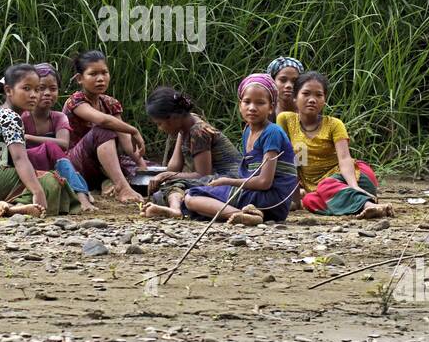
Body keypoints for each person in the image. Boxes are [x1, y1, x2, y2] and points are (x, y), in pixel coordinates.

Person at [0, 63, 82, 217]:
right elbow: (19, 159)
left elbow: (6, 160)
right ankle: (21, 206)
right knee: (50, 180)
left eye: (37, 89)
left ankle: (8, 206)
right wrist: (38, 192)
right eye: (26, 88)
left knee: (40, 178)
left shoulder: (0, 111)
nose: (34, 95)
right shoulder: (11, 117)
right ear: (9, 90)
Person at [182, 73, 299, 225]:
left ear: (271, 108)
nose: (252, 108)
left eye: (260, 103)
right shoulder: (247, 131)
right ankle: (252, 213)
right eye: (247, 102)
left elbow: (265, 182)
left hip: (273, 199)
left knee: (192, 197)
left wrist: (228, 181)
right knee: (197, 200)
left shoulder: (272, 132)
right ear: (240, 105)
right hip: (258, 197)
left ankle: (242, 214)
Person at [277, 70, 392, 218]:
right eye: (306, 94)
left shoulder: (334, 124)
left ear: (324, 100)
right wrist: (295, 199)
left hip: (352, 176)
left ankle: (368, 205)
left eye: (318, 95)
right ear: (294, 98)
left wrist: (354, 187)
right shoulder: (286, 120)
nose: (312, 99)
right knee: (310, 199)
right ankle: (359, 205)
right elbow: (290, 161)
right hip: (319, 188)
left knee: (325, 186)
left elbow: (344, 159)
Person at [139, 86, 242, 220]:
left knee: (177, 188)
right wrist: (165, 175)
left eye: (159, 123)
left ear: (173, 118)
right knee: (163, 191)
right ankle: (175, 209)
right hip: (212, 178)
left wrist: (165, 175)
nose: (160, 129)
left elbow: (203, 174)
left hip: (228, 180)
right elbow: (174, 167)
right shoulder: (186, 124)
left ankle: (176, 209)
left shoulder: (198, 132)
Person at [61, 50, 147, 203]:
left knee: (147, 169)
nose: (100, 79)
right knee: (102, 131)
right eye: (93, 74)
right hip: (76, 164)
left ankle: (107, 183)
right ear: (80, 79)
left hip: (102, 163)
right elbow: (103, 121)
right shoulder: (75, 101)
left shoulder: (109, 103)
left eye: (104, 73)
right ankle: (121, 187)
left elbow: (125, 139)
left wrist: (142, 166)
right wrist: (134, 130)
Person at [21, 62, 97, 212]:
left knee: (64, 161)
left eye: (53, 89)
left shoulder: (59, 117)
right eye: (41, 88)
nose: (48, 93)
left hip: (56, 166)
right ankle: (82, 195)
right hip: (30, 166)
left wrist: (28, 137)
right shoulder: (22, 118)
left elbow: (63, 143)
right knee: (52, 148)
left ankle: (81, 194)